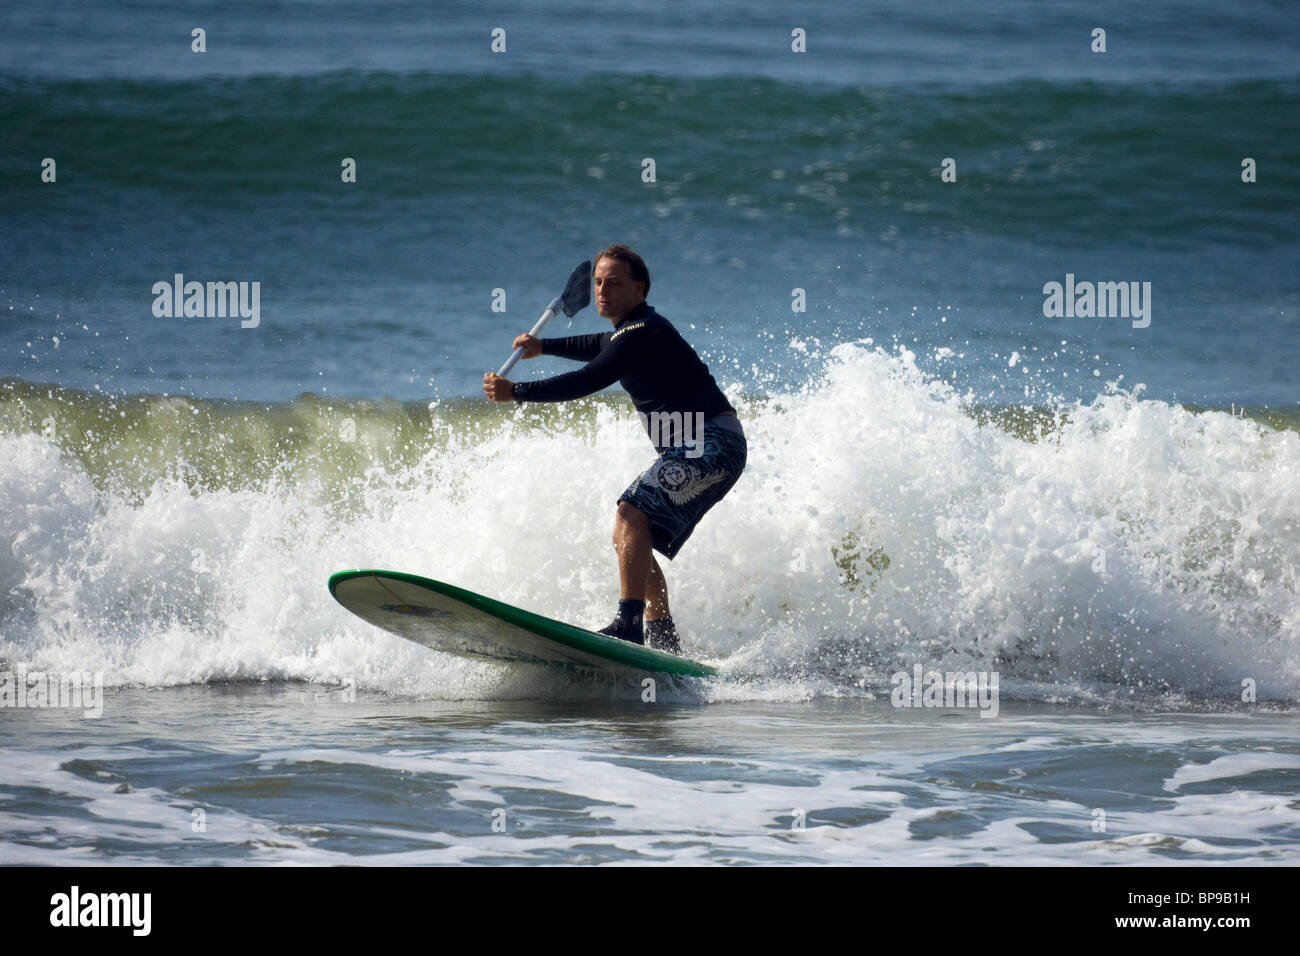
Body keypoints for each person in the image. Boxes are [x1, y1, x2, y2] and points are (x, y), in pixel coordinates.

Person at [482, 245, 746, 654]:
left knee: (631, 513)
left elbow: (590, 377)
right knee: (628, 534)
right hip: (706, 445)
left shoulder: (645, 331)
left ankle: (628, 625)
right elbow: (598, 344)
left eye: (614, 283)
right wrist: (544, 347)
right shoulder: (631, 332)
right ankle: (662, 637)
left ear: (639, 289)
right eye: (598, 283)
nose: (602, 290)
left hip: (713, 441)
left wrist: (516, 391)